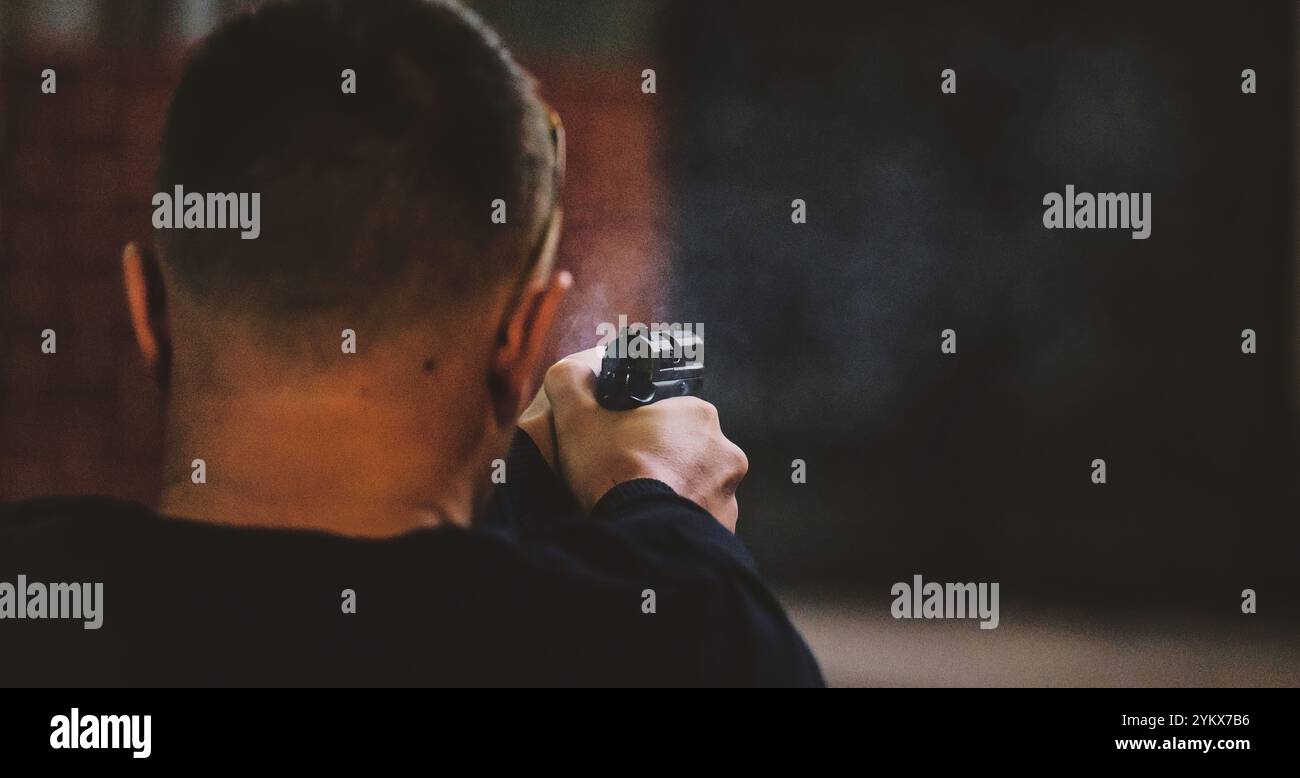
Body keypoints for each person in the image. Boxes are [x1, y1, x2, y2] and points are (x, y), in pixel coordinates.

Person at [0, 0, 822, 687]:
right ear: (520, 343)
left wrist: (523, 471)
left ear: (146, 310)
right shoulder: (685, 637)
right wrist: (661, 496)